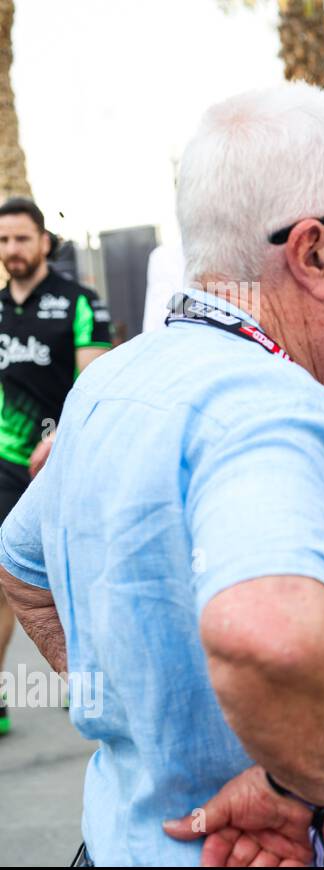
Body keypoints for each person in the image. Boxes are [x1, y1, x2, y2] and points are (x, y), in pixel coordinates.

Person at [0, 84, 324, 865]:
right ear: (313, 252)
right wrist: (300, 789)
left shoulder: (118, 379)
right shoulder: (270, 405)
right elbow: (269, 637)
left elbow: (22, 568)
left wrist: (143, 722)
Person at [0, 197, 111, 737]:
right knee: (3, 579)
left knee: (70, 576)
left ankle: (82, 679)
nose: (11, 249)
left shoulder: (78, 303)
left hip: (64, 463)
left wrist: (63, 439)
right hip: (4, 463)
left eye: (21, 238)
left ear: (44, 241)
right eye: (2, 240)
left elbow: (93, 384)